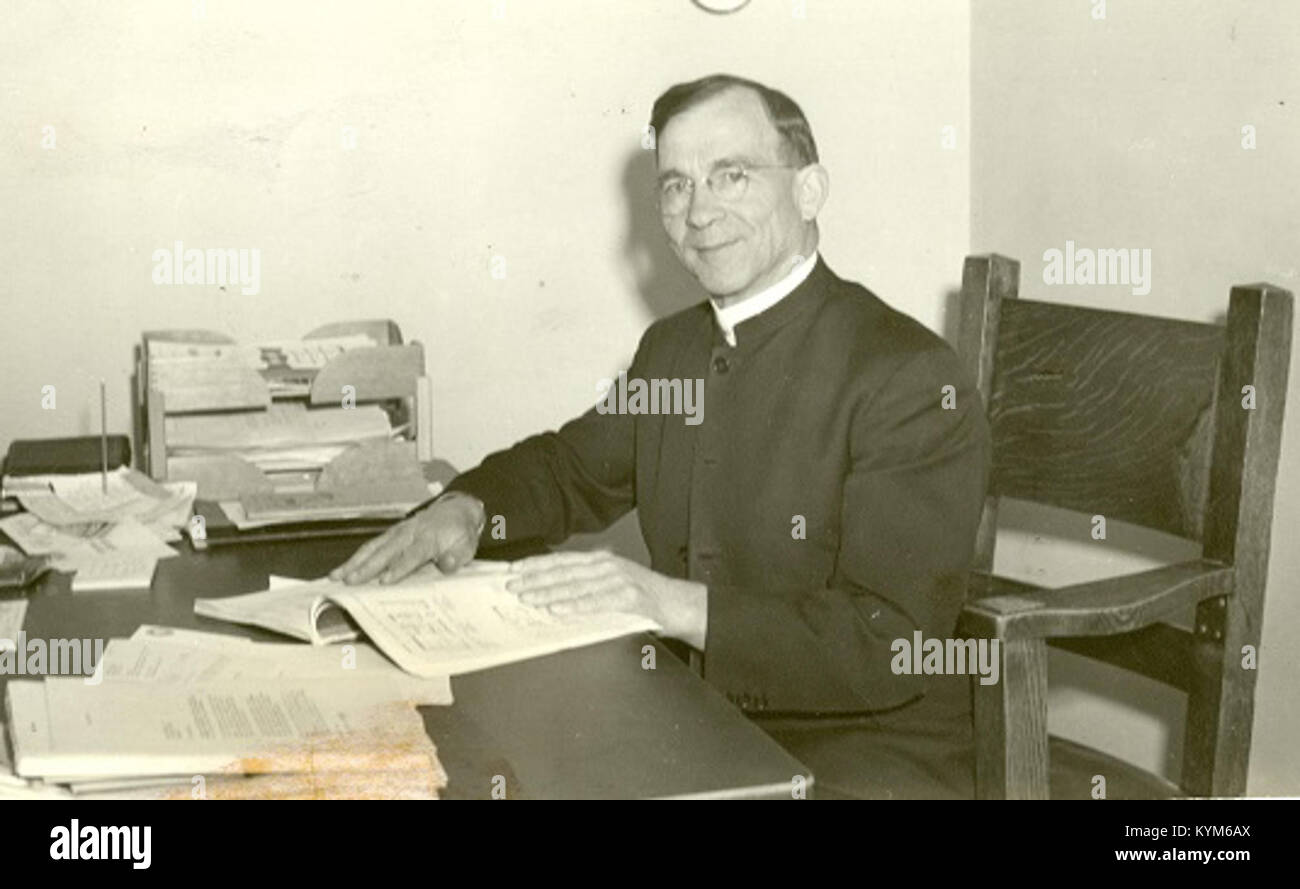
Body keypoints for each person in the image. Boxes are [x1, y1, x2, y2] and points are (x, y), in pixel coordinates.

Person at [333, 73, 990, 799]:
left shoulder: (909, 375)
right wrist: (467, 508)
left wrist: (663, 602)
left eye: (730, 175)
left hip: (866, 756)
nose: (699, 211)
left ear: (809, 190)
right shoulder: (673, 349)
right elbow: (568, 472)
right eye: (676, 186)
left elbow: (888, 639)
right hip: (696, 720)